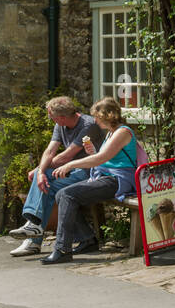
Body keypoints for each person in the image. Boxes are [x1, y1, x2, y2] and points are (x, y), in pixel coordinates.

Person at [41, 96, 138, 265]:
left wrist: (70, 165)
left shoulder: (123, 132)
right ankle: (87, 239)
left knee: (67, 195)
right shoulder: (111, 133)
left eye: (97, 116)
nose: (94, 119)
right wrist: (92, 151)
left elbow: (101, 159)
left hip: (118, 180)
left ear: (108, 115)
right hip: (106, 176)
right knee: (61, 194)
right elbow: (104, 158)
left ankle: (63, 249)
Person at [7, 96, 106, 256]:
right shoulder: (60, 125)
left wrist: (40, 170)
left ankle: (33, 238)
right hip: (71, 170)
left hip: (90, 171)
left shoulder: (88, 125)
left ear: (62, 117)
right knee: (45, 179)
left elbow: (65, 156)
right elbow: (50, 151)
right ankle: (35, 228)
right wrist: (40, 171)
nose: (50, 119)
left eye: (51, 116)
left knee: (51, 188)